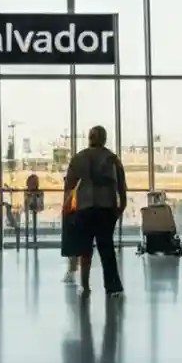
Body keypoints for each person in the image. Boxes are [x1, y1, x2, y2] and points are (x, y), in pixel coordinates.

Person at [63, 126, 126, 297]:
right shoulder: (112, 159)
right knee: (106, 248)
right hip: (106, 207)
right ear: (104, 138)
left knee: (85, 248)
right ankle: (112, 287)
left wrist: (67, 206)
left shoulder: (79, 158)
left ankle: (85, 284)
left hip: (85, 207)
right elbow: (121, 184)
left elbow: (69, 184)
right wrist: (122, 205)